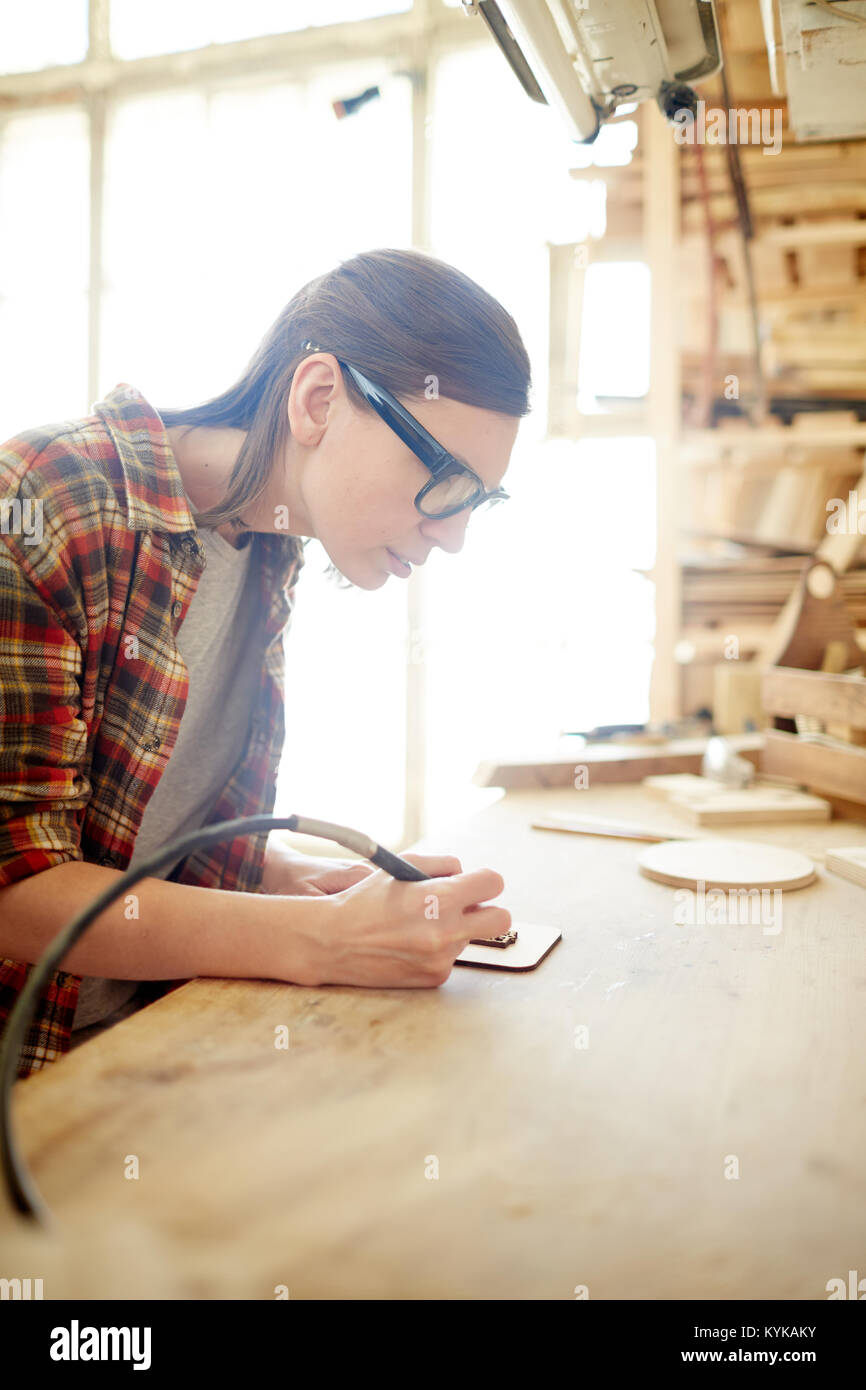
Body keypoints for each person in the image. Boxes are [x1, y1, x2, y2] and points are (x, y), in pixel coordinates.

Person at [0, 246, 532, 1079]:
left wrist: (283, 877)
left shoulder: (269, 550)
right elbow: (16, 891)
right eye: (444, 481)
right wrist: (325, 942)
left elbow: (137, 830)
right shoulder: (45, 502)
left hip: (131, 1048)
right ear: (319, 399)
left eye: (478, 502)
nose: (453, 534)